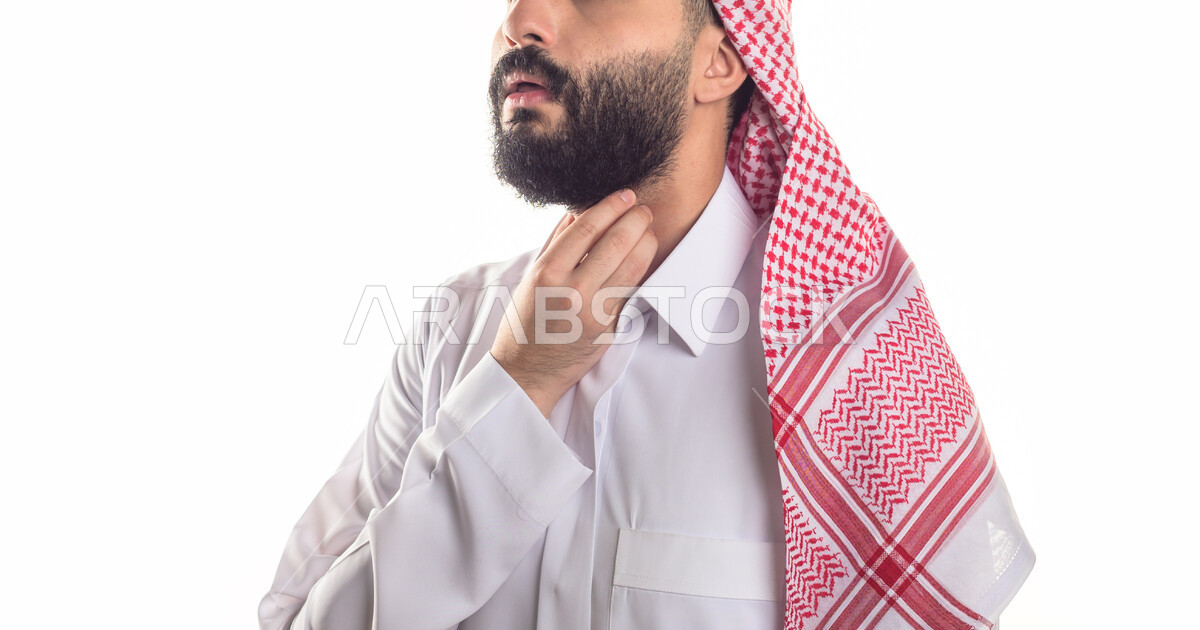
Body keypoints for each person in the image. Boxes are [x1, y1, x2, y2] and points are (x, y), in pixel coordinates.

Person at [258, 1, 1035, 628]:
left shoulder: (842, 367)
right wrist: (517, 388)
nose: (522, 20)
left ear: (723, 60)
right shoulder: (454, 330)